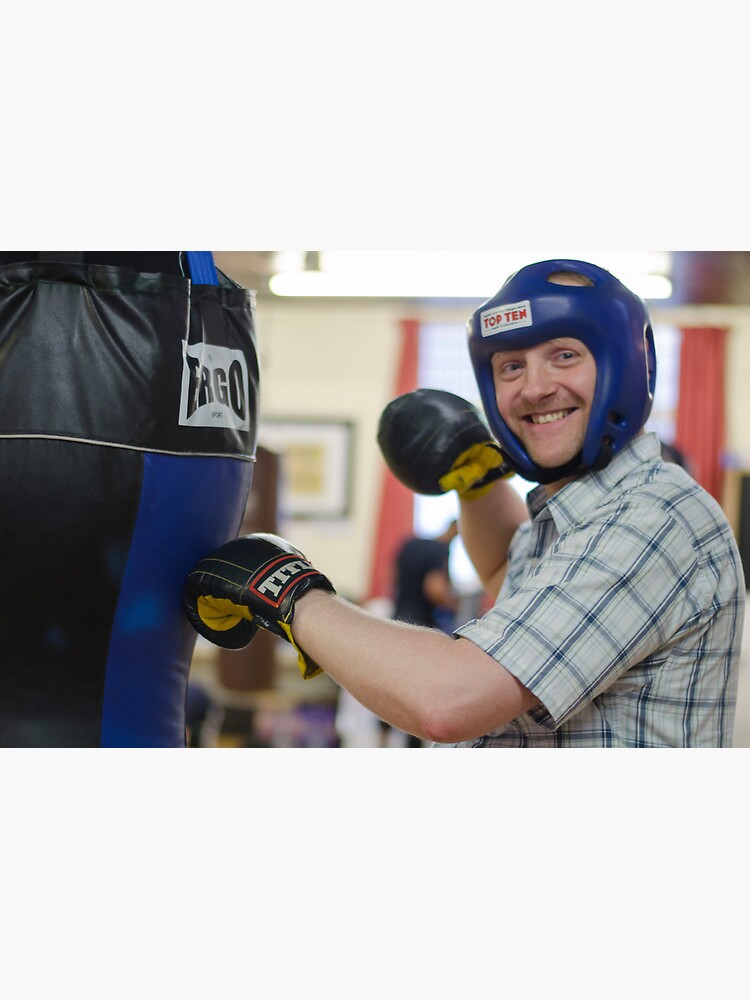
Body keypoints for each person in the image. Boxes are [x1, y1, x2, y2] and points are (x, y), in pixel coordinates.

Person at [182, 259, 745, 748]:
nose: (534, 387)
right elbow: (507, 572)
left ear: (625, 363)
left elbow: (449, 700)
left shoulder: (652, 517)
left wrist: (289, 592)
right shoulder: (586, 513)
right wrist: (476, 482)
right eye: (511, 367)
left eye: (565, 356)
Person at [393, 520, 459, 632]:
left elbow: (394, 576)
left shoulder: (411, 544)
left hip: (398, 617)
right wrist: (454, 605)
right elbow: (434, 589)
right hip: (421, 624)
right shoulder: (440, 549)